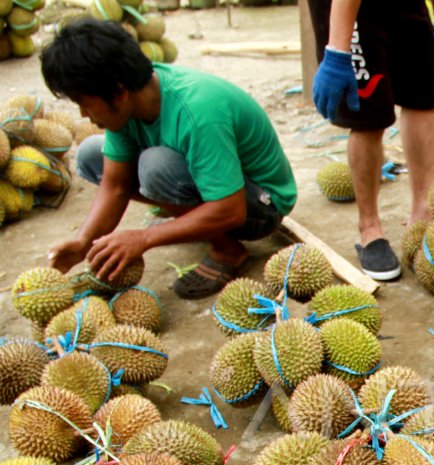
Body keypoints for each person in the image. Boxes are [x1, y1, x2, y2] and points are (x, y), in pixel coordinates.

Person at [41, 18, 297, 299]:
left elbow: (231, 209)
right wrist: (82, 242)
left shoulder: (198, 111)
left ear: (119, 92)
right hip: (221, 189)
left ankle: (228, 249)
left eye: (83, 102)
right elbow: (115, 185)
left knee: (155, 167)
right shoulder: (129, 104)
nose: (82, 114)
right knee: (92, 154)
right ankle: (186, 213)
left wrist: (144, 238)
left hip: (261, 205)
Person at [307, 0, 434, 282]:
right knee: (368, 114)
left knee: (422, 95)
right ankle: (369, 229)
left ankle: (423, 210)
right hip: (349, 9)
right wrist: (338, 51)